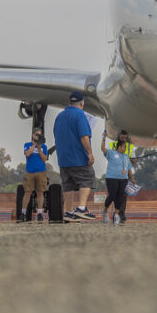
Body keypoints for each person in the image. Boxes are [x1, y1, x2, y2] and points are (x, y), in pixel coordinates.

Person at [53, 90, 96, 220]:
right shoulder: (80, 115)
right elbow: (84, 136)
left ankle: (69, 212)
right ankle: (81, 208)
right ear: (82, 103)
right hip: (78, 158)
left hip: (63, 158)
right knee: (87, 178)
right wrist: (89, 153)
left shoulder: (59, 116)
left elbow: (56, 135)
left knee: (68, 184)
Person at [101, 129, 135, 224]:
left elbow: (129, 169)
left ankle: (116, 215)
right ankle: (105, 210)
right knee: (112, 195)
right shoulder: (111, 153)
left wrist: (132, 179)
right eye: (124, 147)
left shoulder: (125, 156)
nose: (125, 149)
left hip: (123, 179)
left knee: (120, 197)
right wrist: (103, 138)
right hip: (111, 178)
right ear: (119, 146)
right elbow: (103, 149)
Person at [21, 128, 49, 221]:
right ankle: (23, 213)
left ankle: (40, 213)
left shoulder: (44, 146)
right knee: (27, 192)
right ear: (33, 135)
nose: (38, 137)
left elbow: (44, 159)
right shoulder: (27, 145)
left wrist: (40, 148)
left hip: (41, 172)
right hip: (30, 172)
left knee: (40, 193)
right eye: (37, 135)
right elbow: (28, 154)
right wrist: (34, 145)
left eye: (40, 135)